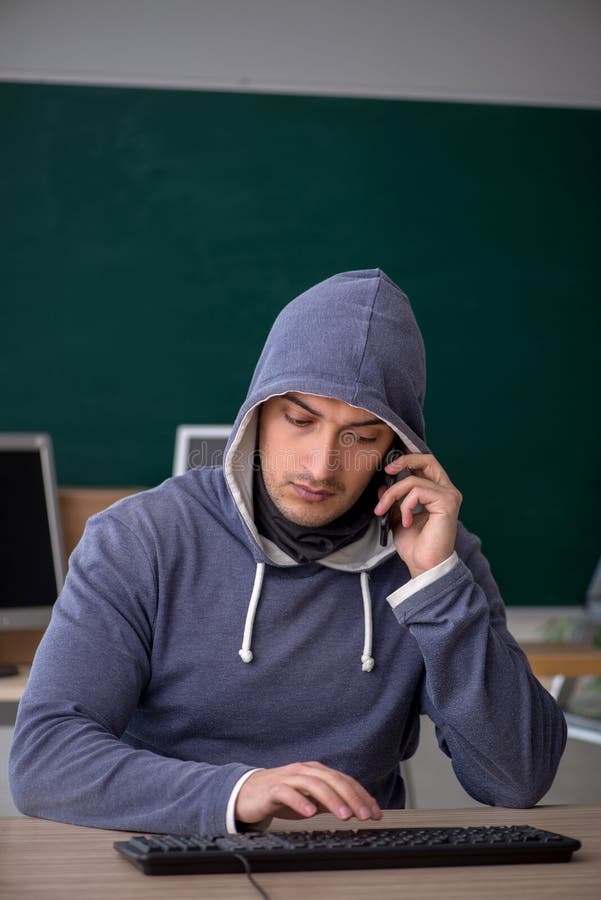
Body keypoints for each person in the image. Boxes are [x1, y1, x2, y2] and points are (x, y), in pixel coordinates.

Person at [9, 269, 566, 834]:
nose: (322, 465)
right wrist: (237, 791)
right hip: (168, 861)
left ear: (397, 449)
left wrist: (438, 586)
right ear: (257, 414)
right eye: (300, 420)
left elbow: (517, 780)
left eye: (362, 436)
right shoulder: (141, 538)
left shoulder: (439, 556)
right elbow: (45, 760)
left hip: (359, 877)